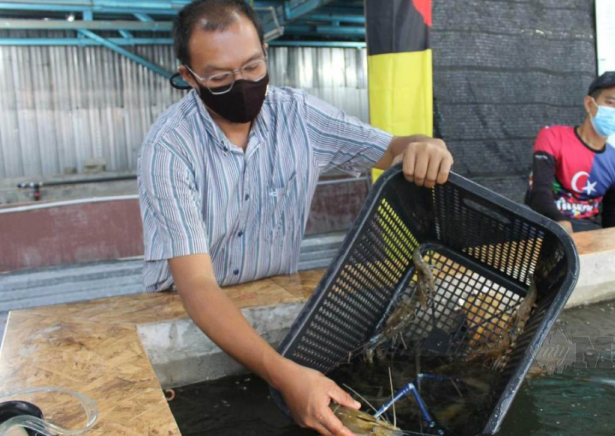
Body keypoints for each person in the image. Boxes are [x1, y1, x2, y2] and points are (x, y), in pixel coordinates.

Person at [136, 1, 454, 435]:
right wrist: (284, 375)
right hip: (186, 315)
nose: (242, 84)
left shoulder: (300, 117)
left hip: (273, 295)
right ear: (189, 77)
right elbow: (196, 286)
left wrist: (424, 144)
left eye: (252, 66)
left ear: (265, 51)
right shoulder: (170, 149)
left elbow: (396, 147)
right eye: (219, 77)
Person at [525, 71, 615, 233]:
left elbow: (614, 214)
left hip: (589, 233)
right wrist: (561, 223)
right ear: (589, 104)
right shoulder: (552, 136)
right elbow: (539, 193)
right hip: (544, 227)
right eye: (610, 102)